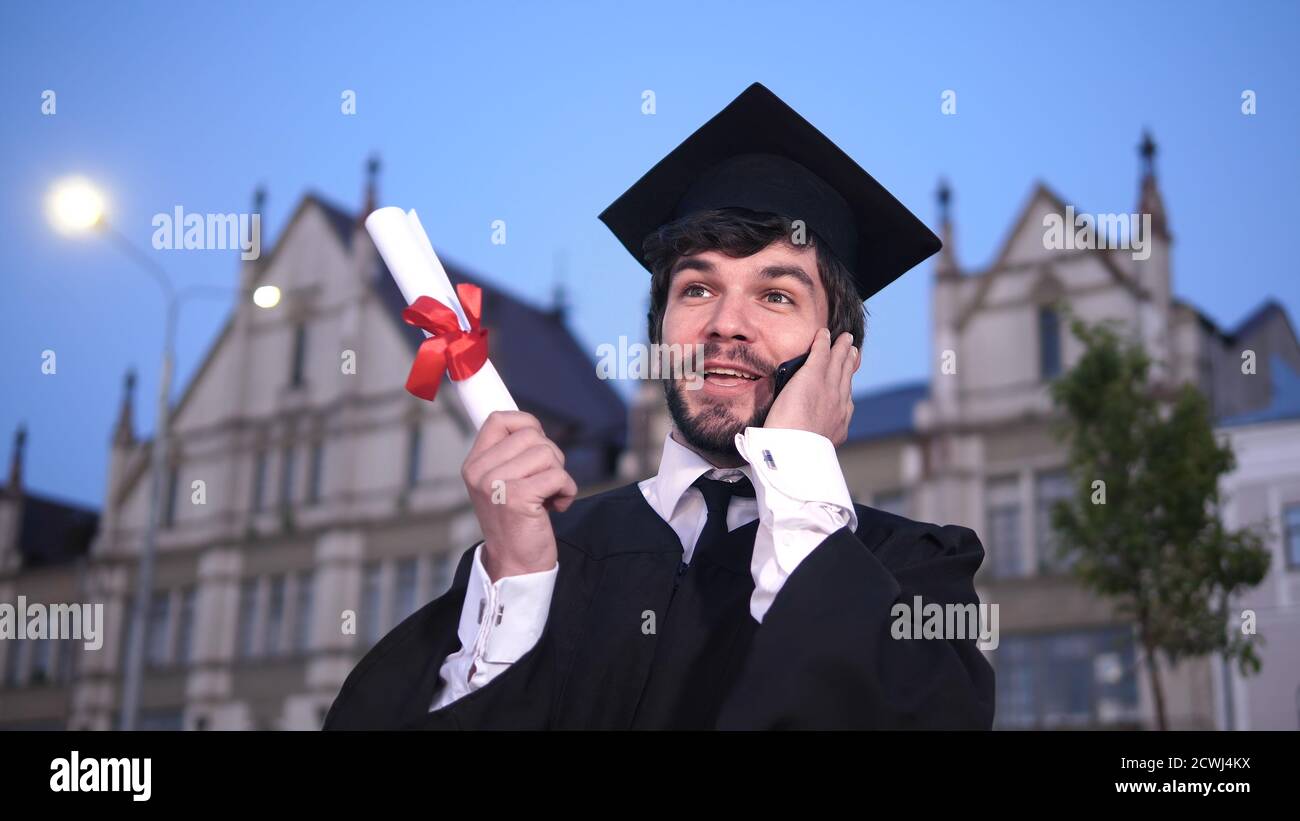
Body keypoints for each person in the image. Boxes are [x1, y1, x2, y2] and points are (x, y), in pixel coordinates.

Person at [323, 82, 995, 730]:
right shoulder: (549, 553)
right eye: (697, 289)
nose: (727, 324)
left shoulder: (912, 570)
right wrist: (520, 586)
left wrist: (799, 468)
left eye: (777, 295)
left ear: (839, 352)